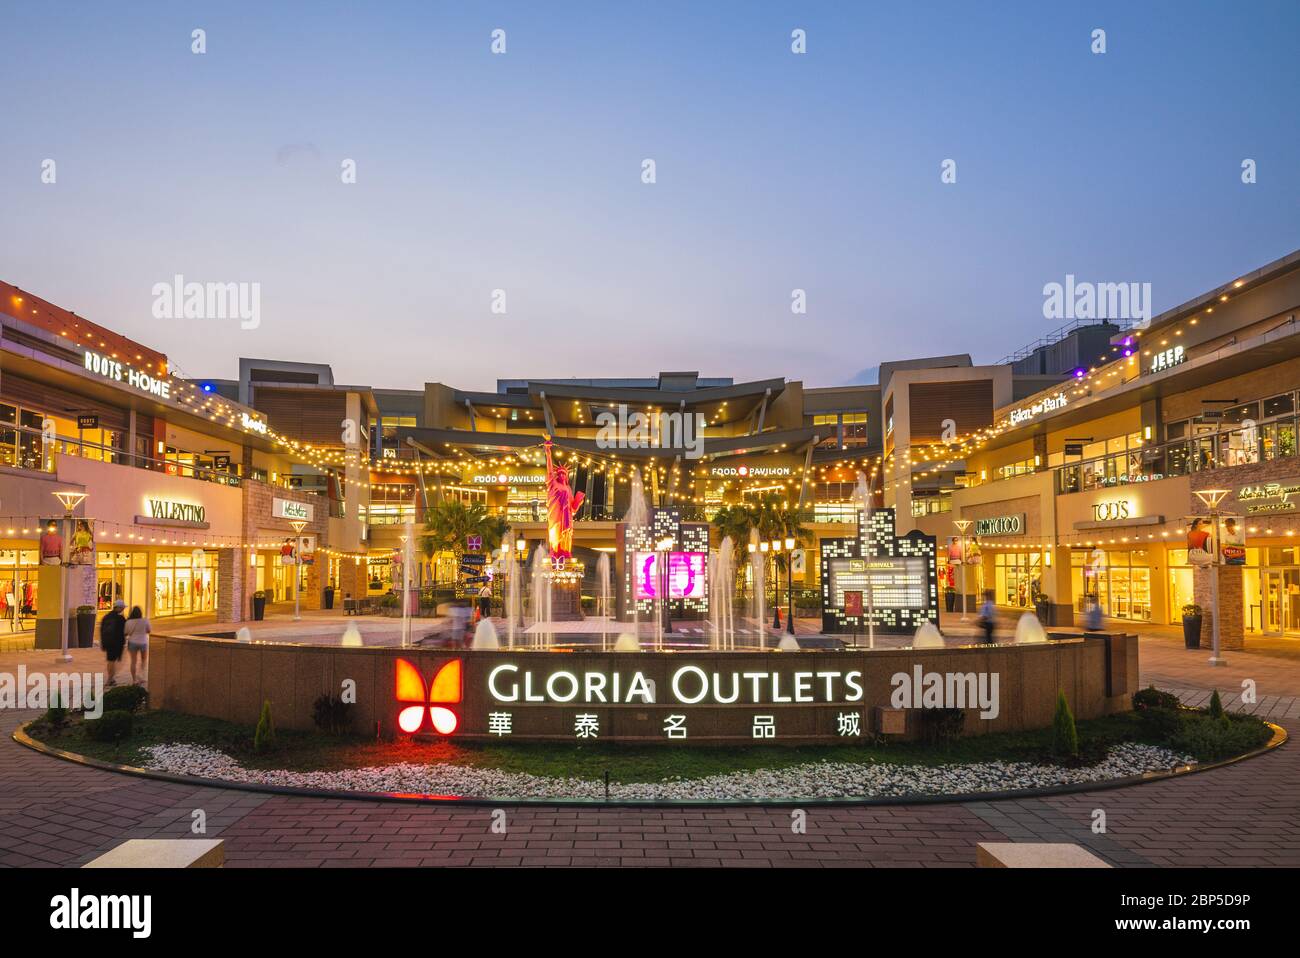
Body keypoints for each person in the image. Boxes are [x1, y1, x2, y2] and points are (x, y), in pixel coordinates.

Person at [100, 599, 126, 686]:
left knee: (110, 660)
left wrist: (103, 643)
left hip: (107, 641)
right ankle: (110, 679)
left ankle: (111, 678)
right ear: (118, 608)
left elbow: (102, 630)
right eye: (122, 608)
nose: (123, 609)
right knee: (112, 661)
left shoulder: (106, 617)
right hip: (116, 643)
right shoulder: (120, 618)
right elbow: (124, 631)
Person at [125, 605, 151, 685]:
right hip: (143, 642)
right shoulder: (145, 620)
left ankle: (134, 679)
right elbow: (149, 631)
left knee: (133, 661)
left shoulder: (128, 622)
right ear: (140, 613)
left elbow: (126, 633)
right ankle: (141, 676)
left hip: (132, 642)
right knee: (143, 661)